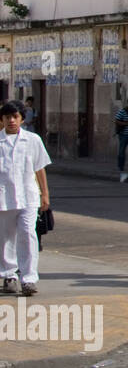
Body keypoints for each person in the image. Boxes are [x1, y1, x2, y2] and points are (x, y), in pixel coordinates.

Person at [0, 100, 51, 296]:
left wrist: (45, 193)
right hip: (4, 197)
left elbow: (40, 168)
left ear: (22, 119)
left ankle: (29, 278)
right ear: (2, 120)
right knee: (5, 238)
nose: (11, 121)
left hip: (29, 196)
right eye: (7, 117)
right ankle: (9, 274)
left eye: (15, 117)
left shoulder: (33, 140)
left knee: (28, 235)